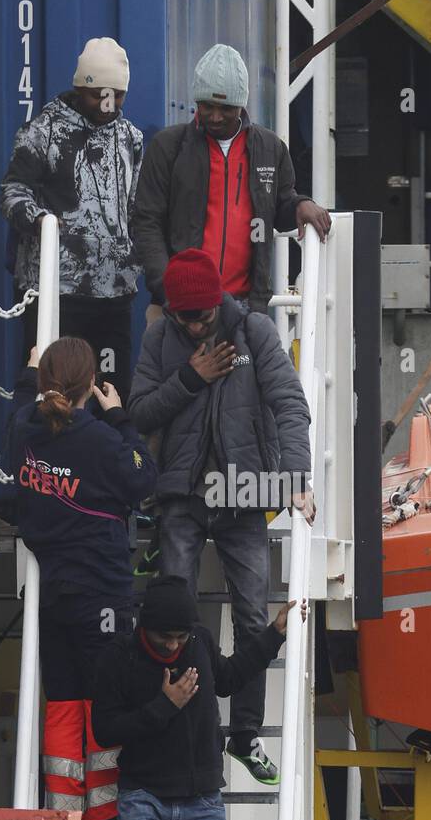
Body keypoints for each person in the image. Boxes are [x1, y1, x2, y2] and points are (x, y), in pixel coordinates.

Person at [127, 249, 314, 784]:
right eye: (185, 315)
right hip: (182, 495)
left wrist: (296, 478)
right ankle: (180, 723)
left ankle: (245, 735)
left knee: (254, 617)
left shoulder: (254, 331)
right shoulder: (161, 339)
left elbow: (290, 403)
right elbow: (139, 412)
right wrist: (190, 377)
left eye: (202, 314)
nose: (195, 323)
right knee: (173, 618)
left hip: (246, 494)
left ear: (216, 301)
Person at [91, 575, 305, 820]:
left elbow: (231, 677)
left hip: (202, 801)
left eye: (180, 637)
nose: (173, 645)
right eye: (164, 638)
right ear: (144, 627)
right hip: (144, 798)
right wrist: (164, 706)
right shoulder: (118, 657)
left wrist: (275, 634)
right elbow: (104, 730)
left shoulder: (200, 642)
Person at [8, 337, 157, 820]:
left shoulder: (27, 427)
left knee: (65, 704)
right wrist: (118, 416)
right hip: (101, 594)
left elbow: (16, 417)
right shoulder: (98, 439)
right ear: (92, 384)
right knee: (105, 705)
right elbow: (144, 478)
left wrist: (29, 377)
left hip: (51, 592)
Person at [131, 42, 331, 320]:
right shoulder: (168, 147)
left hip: (246, 309)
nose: (215, 116)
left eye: (225, 107)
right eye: (206, 106)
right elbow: (146, 222)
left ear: (242, 104)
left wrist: (300, 204)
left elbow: (280, 209)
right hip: (178, 307)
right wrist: (169, 289)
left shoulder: (270, 148)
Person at [0, 37, 143, 403]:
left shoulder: (132, 139)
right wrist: (42, 222)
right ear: (81, 87)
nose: (109, 104)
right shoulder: (42, 132)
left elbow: (137, 209)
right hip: (57, 295)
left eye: (118, 95)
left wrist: (136, 259)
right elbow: (13, 191)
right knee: (55, 395)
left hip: (113, 297)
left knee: (111, 395)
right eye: (100, 95)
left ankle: (108, 459)